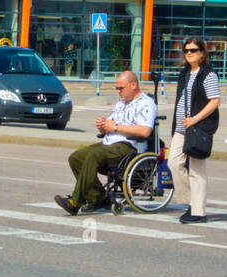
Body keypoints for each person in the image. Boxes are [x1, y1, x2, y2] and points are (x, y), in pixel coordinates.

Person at [55, 70, 156, 215]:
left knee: (94, 156)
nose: (119, 92)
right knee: (76, 157)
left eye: (121, 88)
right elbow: (111, 123)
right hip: (109, 143)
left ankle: (75, 202)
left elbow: (145, 131)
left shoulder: (146, 103)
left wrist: (115, 127)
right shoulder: (121, 104)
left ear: (133, 85)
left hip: (128, 145)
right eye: (117, 89)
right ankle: (98, 197)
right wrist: (103, 126)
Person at [168, 36, 220, 224]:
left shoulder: (208, 74)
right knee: (173, 163)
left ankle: (198, 212)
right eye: (186, 50)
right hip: (182, 128)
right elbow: (179, 102)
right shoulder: (185, 73)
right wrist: (175, 127)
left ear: (202, 53)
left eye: (193, 50)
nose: (189, 53)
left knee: (197, 171)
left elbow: (215, 101)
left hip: (199, 127)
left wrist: (196, 119)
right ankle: (191, 201)